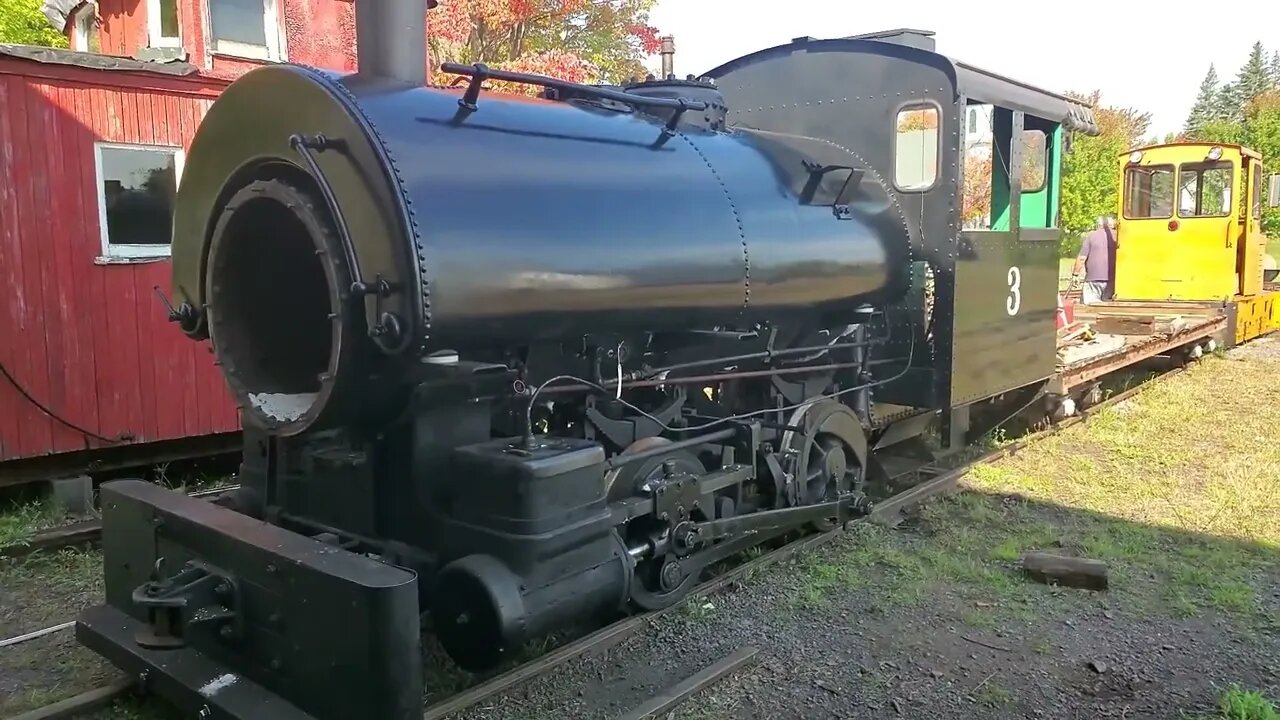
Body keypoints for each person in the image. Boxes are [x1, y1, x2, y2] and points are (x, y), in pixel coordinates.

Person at [1071, 216, 1116, 304]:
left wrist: (1075, 275)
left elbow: (1081, 258)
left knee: (1089, 307)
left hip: (1093, 280)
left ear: (1098, 225)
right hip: (1113, 280)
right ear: (1112, 225)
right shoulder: (1118, 236)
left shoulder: (1091, 236)